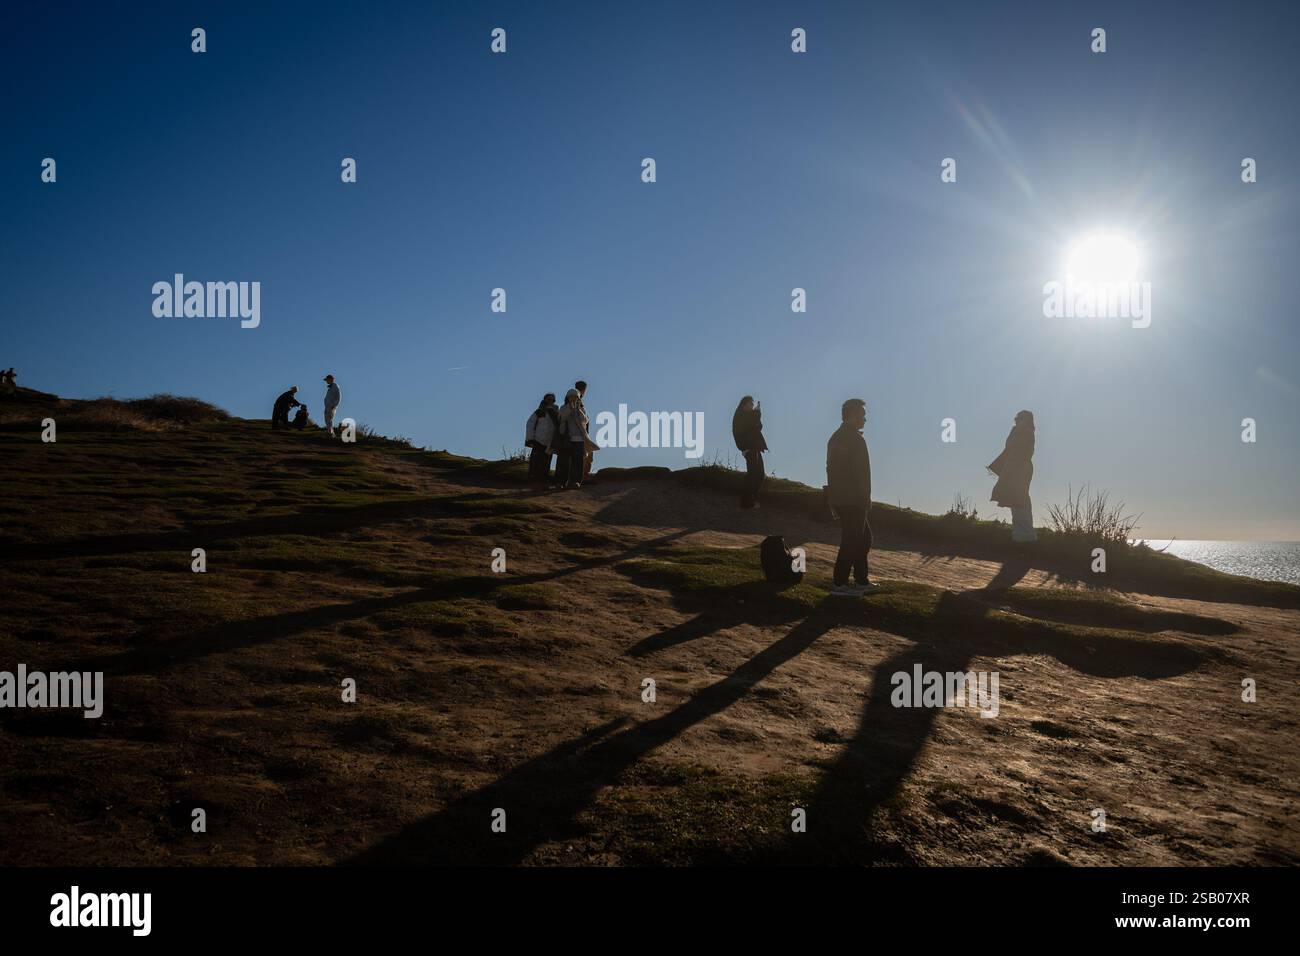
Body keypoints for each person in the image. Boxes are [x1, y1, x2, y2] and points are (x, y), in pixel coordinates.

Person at [826, 398, 880, 596]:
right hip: (851, 499)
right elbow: (858, 473)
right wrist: (863, 498)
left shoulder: (842, 437)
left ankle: (860, 580)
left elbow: (831, 469)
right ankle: (840, 584)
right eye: (862, 414)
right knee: (852, 540)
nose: (865, 419)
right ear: (851, 415)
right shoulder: (849, 439)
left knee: (863, 538)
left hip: (846, 498)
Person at [988, 410, 1037, 543]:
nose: (1017, 421)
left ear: (1026, 420)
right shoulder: (1016, 431)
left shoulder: (1027, 432)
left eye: (1020, 419)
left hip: (1021, 468)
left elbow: (1024, 451)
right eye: (1017, 419)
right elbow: (1009, 447)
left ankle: (1026, 536)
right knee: (1013, 499)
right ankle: (1020, 536)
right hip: (1012, 468)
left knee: (1020, 499)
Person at [731, 395, 768, 509]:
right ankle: (747, 501)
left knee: (760, 474)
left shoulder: (748, 416)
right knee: (753, 474)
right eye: (750, 404)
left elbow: (758, 427)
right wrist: (756, 414)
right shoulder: (740, 416)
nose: (752, 406)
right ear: (744, 404)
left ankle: (749, 499)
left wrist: (757, 414)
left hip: (754, 448)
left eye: (753, 405)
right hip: (749, 448)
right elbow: (750, 425)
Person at [554, 388, 594, 489]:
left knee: (578, 461)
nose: (573, 398)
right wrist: (570, 408)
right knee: (563, 461)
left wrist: (579, 409)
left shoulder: (581, 409)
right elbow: (561, 418)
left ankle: (575, 481)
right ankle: (560, 482)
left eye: (576, 396)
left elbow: (585, 420)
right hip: (566, 438)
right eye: (571, 396)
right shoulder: (563, 408)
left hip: (579, 439)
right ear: (568, 397)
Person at [525, 393, 559, 485]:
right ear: (545, 400)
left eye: (552, 400)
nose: (550, 401)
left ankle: (543, 481)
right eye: (549, 399)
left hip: (549, 443)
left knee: (546, 463)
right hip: (538, 441)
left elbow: (558, 427)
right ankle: (533, 481)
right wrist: (530, 439)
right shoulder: (539, 412)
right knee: (535, 462)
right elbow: (530, 424)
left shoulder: (555, 414)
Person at [575, 380, 596, 484]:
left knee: (588, 454)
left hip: (582, 432)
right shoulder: (576, 400)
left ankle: (583, 477)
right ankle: (581, 478)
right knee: (585, 455)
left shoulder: (579, 400)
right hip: (579, 433)